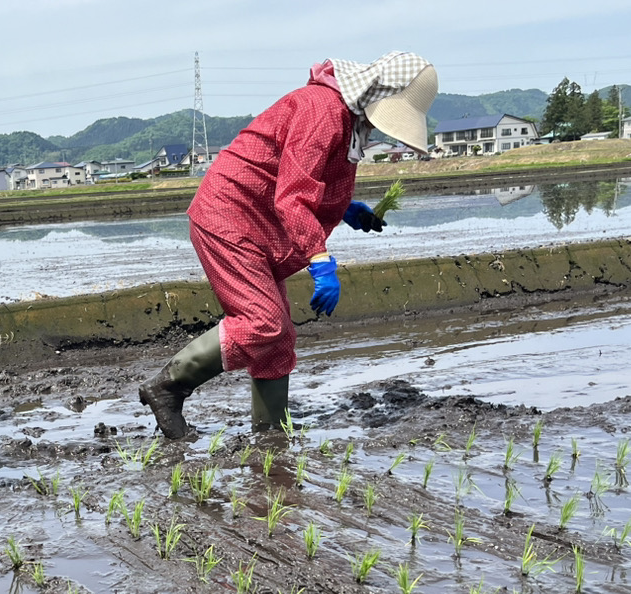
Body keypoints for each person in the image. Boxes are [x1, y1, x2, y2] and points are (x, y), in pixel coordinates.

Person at [139, 52, 437, 438]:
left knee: (278, 339)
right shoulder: (322, 111)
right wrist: (320, 260)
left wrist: (343, 208)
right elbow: (293, 198)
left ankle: (270, 434)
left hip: (256, 221)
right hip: (230, 216)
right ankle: (167, 387)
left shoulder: (344, 119)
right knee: (262, 323)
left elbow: (291, 174)